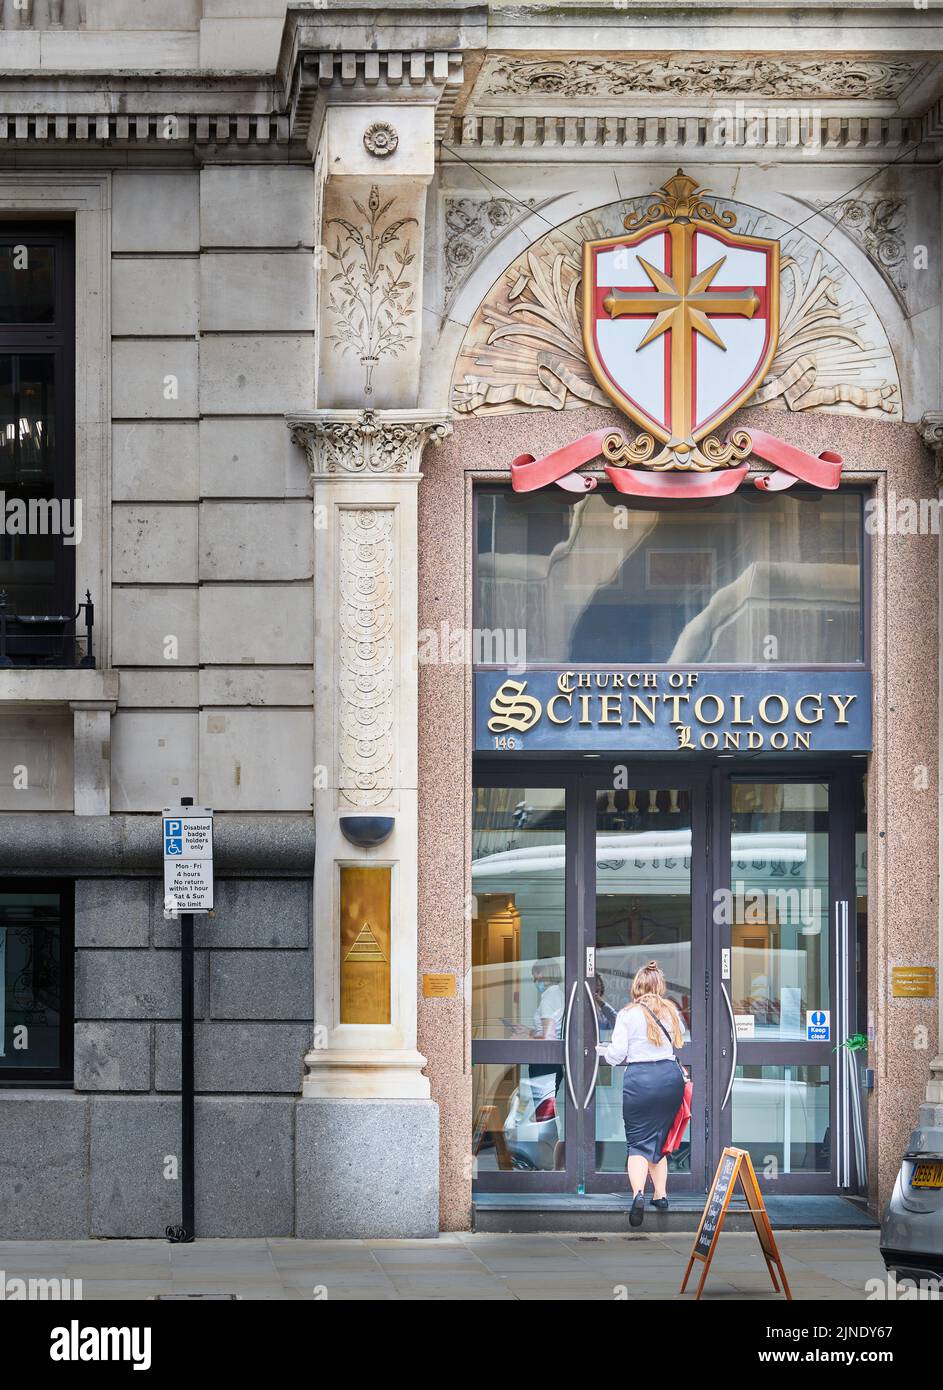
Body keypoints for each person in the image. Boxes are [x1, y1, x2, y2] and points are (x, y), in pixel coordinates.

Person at [604, 959, 686, 1227]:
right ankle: (660, 1195)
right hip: (669, 1079)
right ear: (660, 986)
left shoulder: (628, 1014)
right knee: (660, 1138)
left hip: (640, 1080)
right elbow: (679, 1039)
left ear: (637, 987)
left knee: (638, 1142)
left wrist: (604, 1052)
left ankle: (638, 1193)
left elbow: (616, 1055)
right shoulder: (671, 1010)